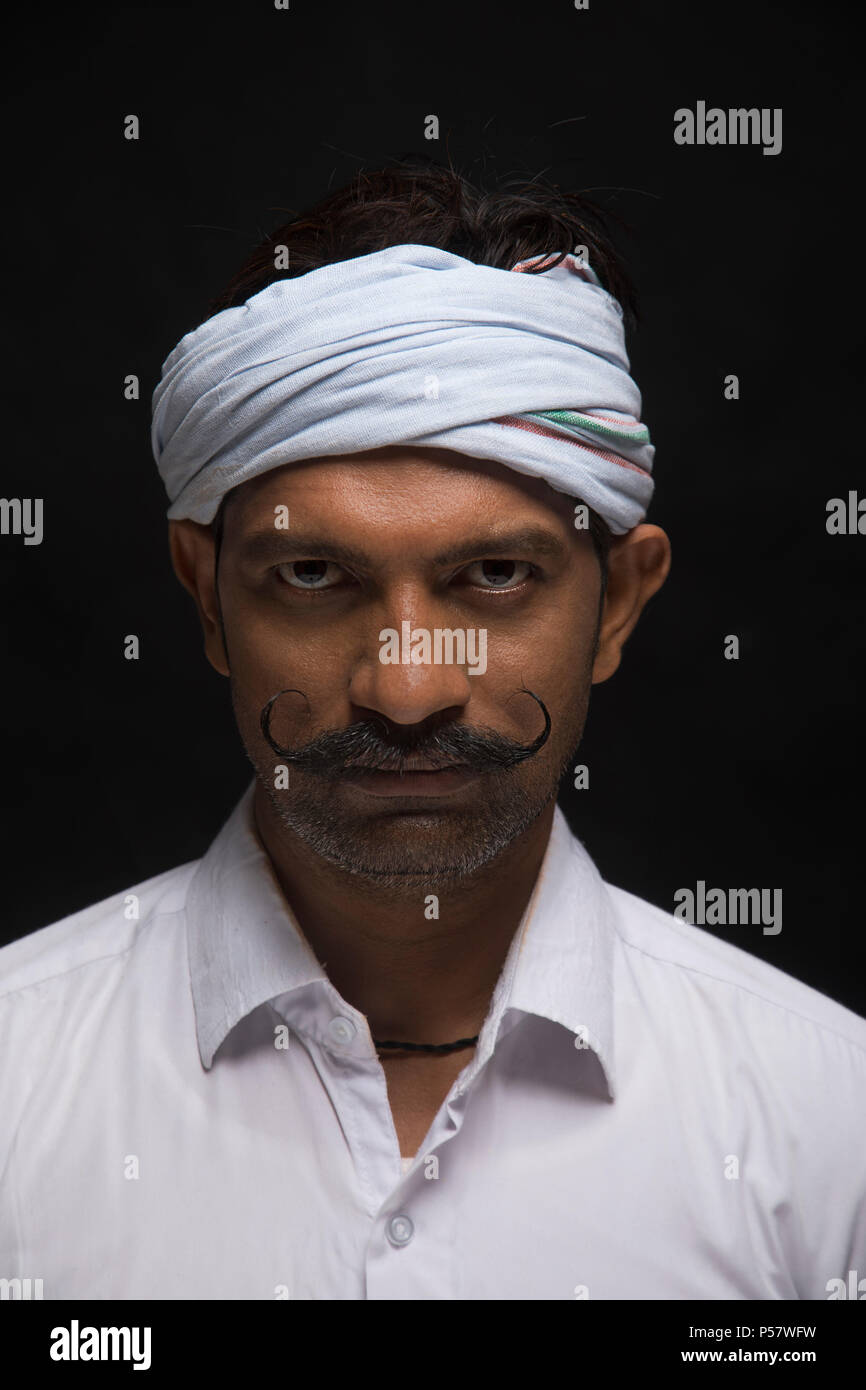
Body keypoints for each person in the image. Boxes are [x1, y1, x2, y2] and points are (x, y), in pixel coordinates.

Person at [1, 163, 863, 1301]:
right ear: (206, 596)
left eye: (495, 575)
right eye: (313, 575)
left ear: (615, 606)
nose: (406, 689)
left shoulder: (824, 1122)